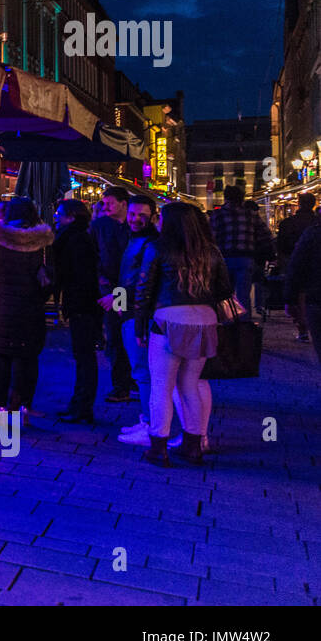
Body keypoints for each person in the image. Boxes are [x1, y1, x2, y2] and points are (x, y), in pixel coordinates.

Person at [134, 202, 232, 466]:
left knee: (161, 385)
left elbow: (144, 289)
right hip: (204, 321)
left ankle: (158, 447)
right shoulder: (211, 251)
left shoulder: (157, 247)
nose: (157, 221)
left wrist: (139, 326)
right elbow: (225, 289)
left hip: (169, 321)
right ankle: (194, 445)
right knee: (190, 384)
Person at [0, 197, 54, 413]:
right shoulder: (42, 241)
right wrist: (41, 297)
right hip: (31, 307)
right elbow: (50, 276)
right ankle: (25, 405)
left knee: (2, 355)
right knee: (28, 357)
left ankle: (1, 404)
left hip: (2, 307)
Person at [116, 195, 160, 444]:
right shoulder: (132, 238)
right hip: (131, 311)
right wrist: (120, 305)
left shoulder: (150, 243)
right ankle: (148, 421)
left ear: (153, 216)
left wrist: (121, 304)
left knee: (143, 372)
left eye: (142, 215)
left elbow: (140, 282)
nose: (135, 219)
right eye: (132, 214)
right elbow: (125, 276)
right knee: (141, 371)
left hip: (141, 313)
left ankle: (151, 426)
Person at [52, 198, 100, 424]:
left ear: (71, 217)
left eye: (60, 213)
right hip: (83, 305)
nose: (56, 217)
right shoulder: (76, 237)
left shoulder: (75, 239)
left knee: (84, 356)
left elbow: (80, 276)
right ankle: (80, 405)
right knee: (83, 356)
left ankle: (82, 407)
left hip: (83, 306)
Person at [90, 185, 136, 403]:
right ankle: (121, 384)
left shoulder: (135, 226)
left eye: (110, 203)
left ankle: (132, 379)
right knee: (116, 335)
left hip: (133, 287)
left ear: (123, 204)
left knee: (133, 334)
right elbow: (93, 255)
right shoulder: (100, 226)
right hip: (111, 287)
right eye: (104, 203)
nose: (105, 207)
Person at [208, 184, 273, 312]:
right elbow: (266, 235)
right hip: (245, 258)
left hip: (224, 258)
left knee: (225, 294)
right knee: (243, 294)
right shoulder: (251, 214)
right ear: (241, 198)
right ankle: (244, 320)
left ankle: (228, 319)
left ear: (226, 197)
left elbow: (210, 238)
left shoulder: (217, 215)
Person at [275, 192, 318, 340]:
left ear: (299, 204)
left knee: (296, 293)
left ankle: (302, 327)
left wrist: (280, 260)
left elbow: (280, 245)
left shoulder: (288, 223)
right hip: (314, 263)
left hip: (291, 259)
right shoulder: (315, 223)